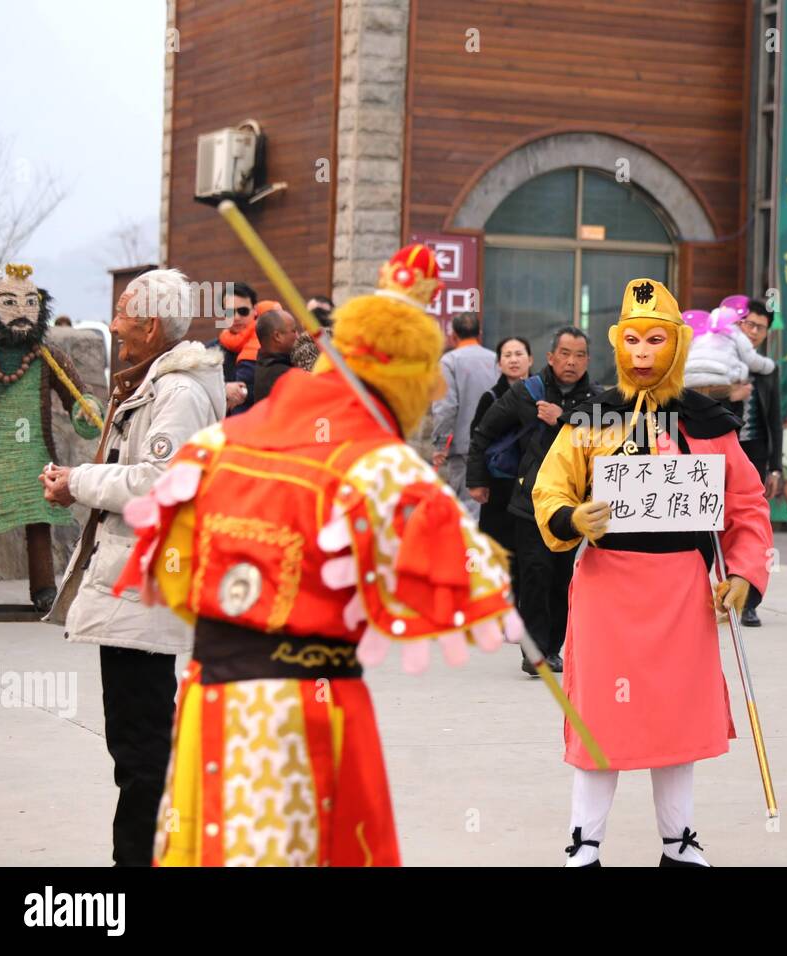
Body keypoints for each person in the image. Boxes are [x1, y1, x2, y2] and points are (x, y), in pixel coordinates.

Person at [111, 243, 516, 866]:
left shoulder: (225, 439)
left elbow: (171, 553)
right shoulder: (380, 463)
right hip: (302, 704)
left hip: (208, 693)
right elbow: (471, 579)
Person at [532, 278, 772, 867]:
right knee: (600, 721)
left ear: (678, 344)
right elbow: (550, 488)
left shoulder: (707, 422)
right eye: (633, 339)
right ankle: (584, 843)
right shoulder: (589, 417)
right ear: (619, 343)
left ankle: (679, 841)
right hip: (607, 589)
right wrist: (572, 516)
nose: (643, 353)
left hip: (683, 592)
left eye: (656, 339)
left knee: (676, 718)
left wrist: (742, 575)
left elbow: (747, 506)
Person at [42, 268, 226, 866]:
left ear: (149, 323)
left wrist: (79, 480)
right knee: (138, 744)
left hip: (143, 593)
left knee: (142, 750)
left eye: (122, 312)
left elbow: (161, 482)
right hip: (133, 589)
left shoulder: (179, 392)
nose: (114, 324)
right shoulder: (157, 382)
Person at [467, 327, 598, 676]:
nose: (571, 362)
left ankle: (552, 647)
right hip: (529, 502)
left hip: (570, 509)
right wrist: (477, 480)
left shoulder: (597, 400)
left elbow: (612, 431)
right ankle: (535, 651)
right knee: (535, 574)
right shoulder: (528, 392)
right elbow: (484, 431)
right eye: (565, 354)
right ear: (550, 357)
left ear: (588, 360)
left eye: (580, 355)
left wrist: (564, 419)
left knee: (560, 578)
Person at [0, 262, 99, 612]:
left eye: (30, 303)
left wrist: (88, 410)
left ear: (42, 308)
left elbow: (79, 395)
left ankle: (44, 589)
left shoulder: (48, 357)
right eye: (10, 303)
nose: (22, 312)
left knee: (39, 518)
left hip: (34, 455)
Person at [469, 336, 534, 605]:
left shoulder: (540, 392)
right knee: (496, 545)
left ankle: (521, 606)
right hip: (499, 485)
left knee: (527, 548)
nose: (514, 359)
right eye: (507, 355)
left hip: (532, 482)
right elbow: (478, 438)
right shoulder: (491, 397)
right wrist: (477, 481)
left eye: (519, 354)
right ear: (499, 363)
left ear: (530, 359)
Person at [731, 297, 782, 627]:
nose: (752, 332)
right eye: (748, 324)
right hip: (721, 450)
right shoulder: (718, 358)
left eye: (760, 328)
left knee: (755, 528)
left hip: (755, 452)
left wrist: (775, 466)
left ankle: (750, 601)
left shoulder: (767, 370)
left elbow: (774, 417)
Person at [431, 312, 497, 518]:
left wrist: (441, 444)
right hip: (496, 446)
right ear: (480, 334)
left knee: (468, 509)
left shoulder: (449, 362)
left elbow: (445, 407)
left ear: (453, 337)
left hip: (464, 446)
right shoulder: (496, 359)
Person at [212, 281, 258, 415]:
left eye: (243, 311)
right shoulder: (210, 351)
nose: (237, 317)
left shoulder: (270, 344)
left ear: (255, 310)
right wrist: (223, 389)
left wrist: (243, 393)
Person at [250, 305, 300, 404]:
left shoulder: (266, 366)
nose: (298, 336)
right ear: (277, 336)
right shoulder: (283, 376)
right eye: (293, 331)